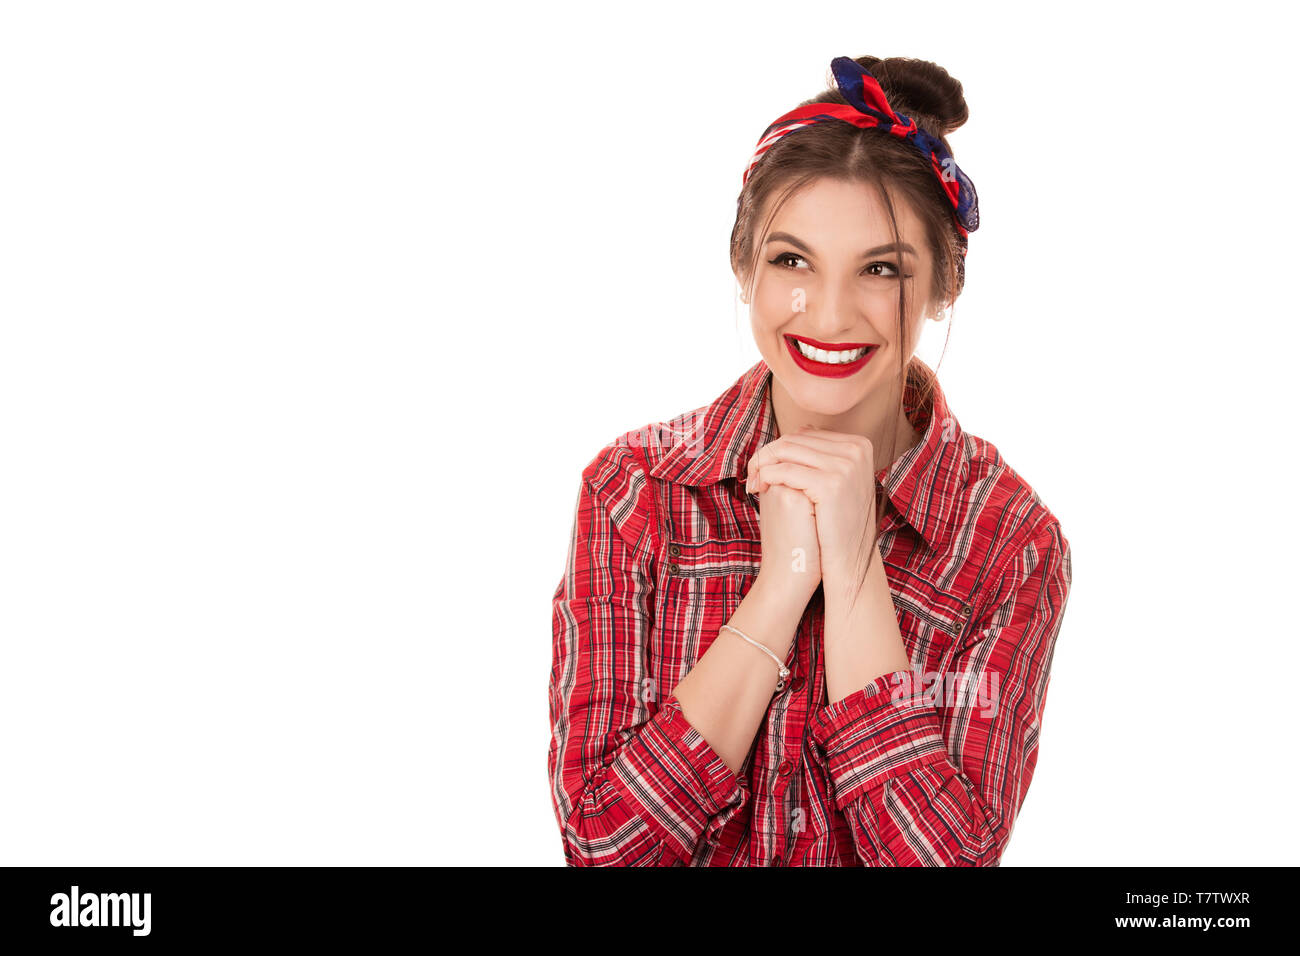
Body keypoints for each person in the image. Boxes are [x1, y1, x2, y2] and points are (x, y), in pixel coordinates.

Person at [547, 54, 1072, 866]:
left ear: (944, 287)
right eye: (792, 261)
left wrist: (856, 569)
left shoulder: (1011, 543)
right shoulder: (635, 493)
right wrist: (782, 584)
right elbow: (603, 842)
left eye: (881, 270)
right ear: (743, 265)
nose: (829, 314)